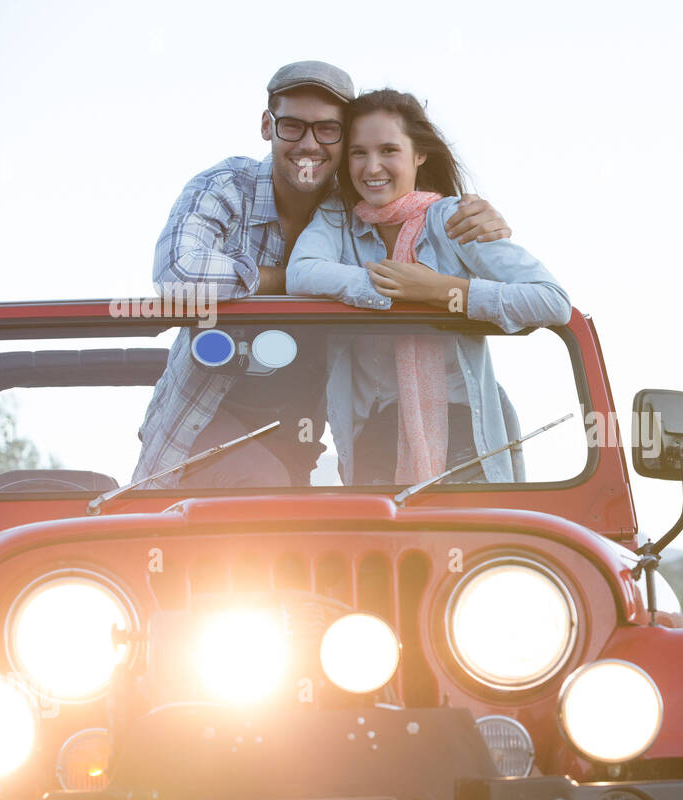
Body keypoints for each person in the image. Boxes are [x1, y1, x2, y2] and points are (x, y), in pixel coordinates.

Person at [130, 62, 512, 490]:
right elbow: (176, 274)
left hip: (302, 431)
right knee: (261, 493)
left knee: (306, 533)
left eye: (327, 130)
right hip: (202, 420)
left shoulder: (356, 207)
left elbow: (419, 228)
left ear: (345, 140)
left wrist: (471, 214)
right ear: (266, 126)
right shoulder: (226, 187)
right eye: (292, 126)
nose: (309, 144)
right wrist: (285, 281)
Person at [286, 89, 571, 486]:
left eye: (388, 150)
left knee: (465, 544)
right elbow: (300, 273)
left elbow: (551, 301)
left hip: (461, 434)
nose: (372, 167)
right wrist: (390, 287)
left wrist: (440, 291)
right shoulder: (338, 218)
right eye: (358, 153)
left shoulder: (452, 219)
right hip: (374, 434)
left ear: (419, 154)